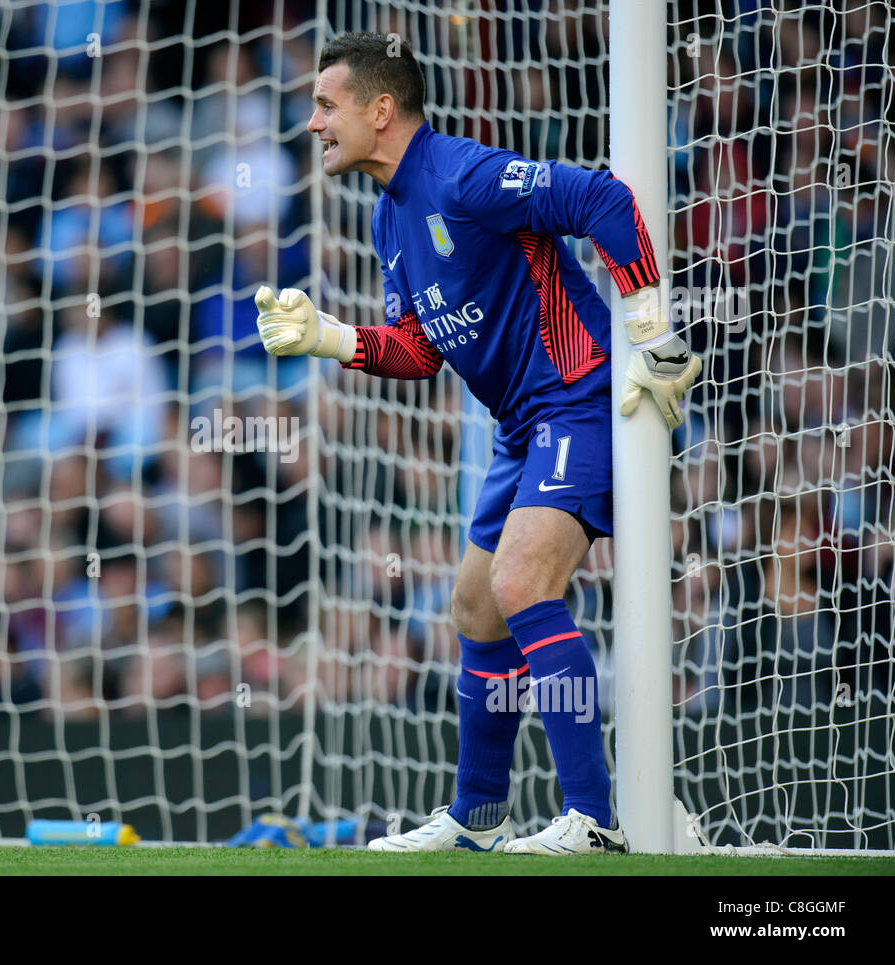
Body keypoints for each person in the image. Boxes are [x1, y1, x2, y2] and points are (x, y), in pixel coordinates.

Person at [254, 32, 700, 855]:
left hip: (577, 398)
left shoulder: (464, 173)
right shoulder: (391, 216)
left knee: (522, 580)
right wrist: (327, 337)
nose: (313, 123)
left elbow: (601, 199)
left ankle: (595, 818)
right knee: (475, 606)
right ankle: (478, 819)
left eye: (326, 105)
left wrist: (646, 321)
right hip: (519, 428)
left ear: (379, 110)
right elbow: (419, 350)